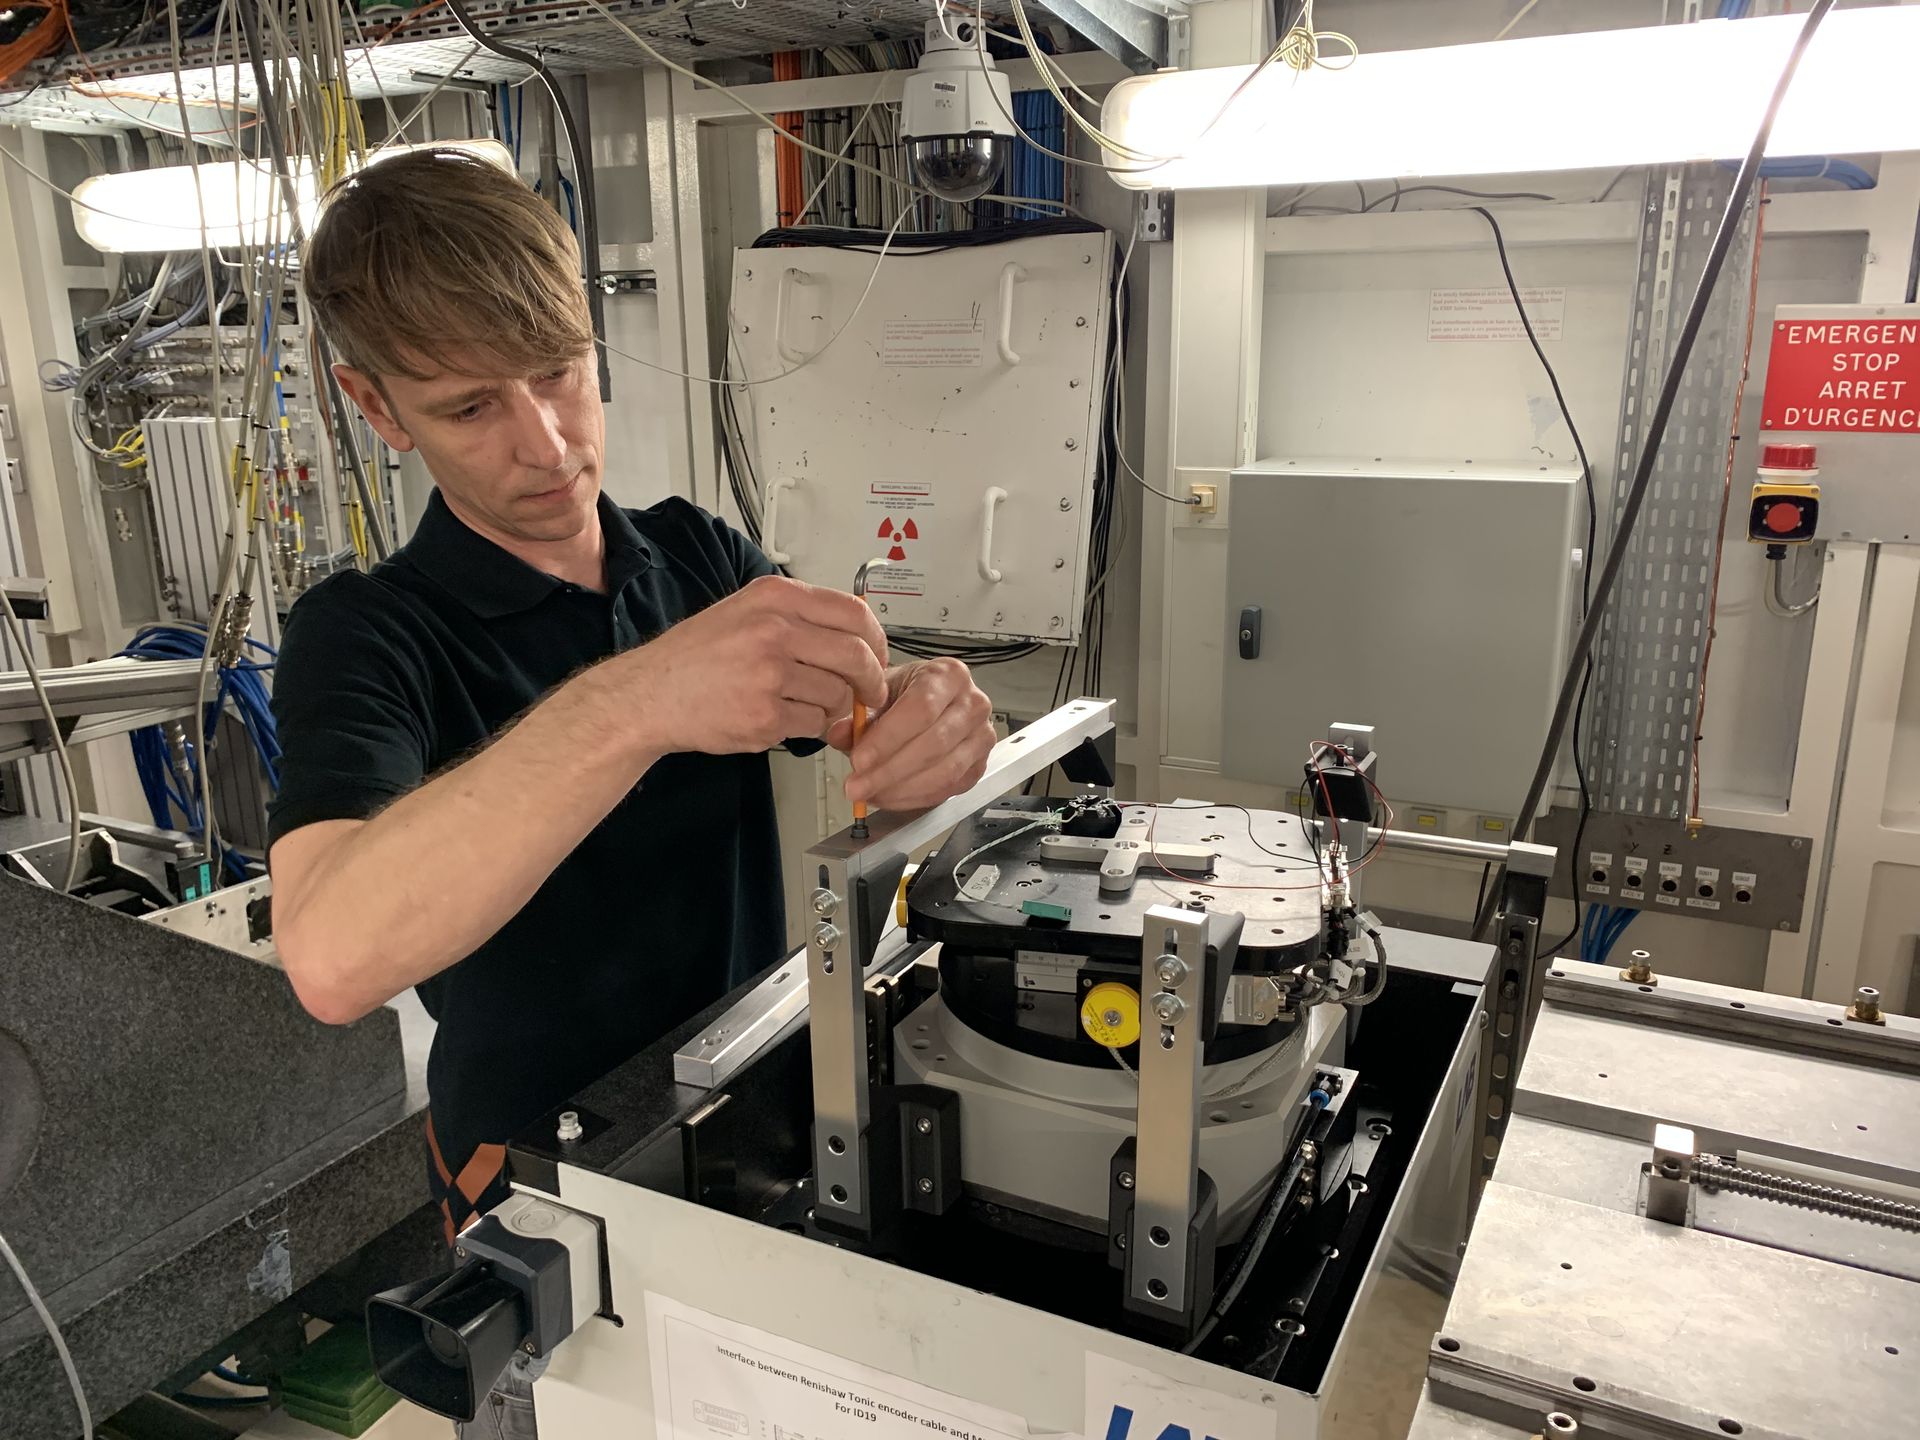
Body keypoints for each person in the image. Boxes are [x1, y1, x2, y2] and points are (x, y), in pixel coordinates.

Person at [267, 148, 996, 1432]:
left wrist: (931, 721)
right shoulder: (370, 635)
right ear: (379, 412)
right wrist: (633, 700)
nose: (545, 445)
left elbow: (868, 712)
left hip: (758, 1120)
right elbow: (330, 955)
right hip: (538, 1179)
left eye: (559, 373)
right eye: (469, 408)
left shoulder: (695, 555)